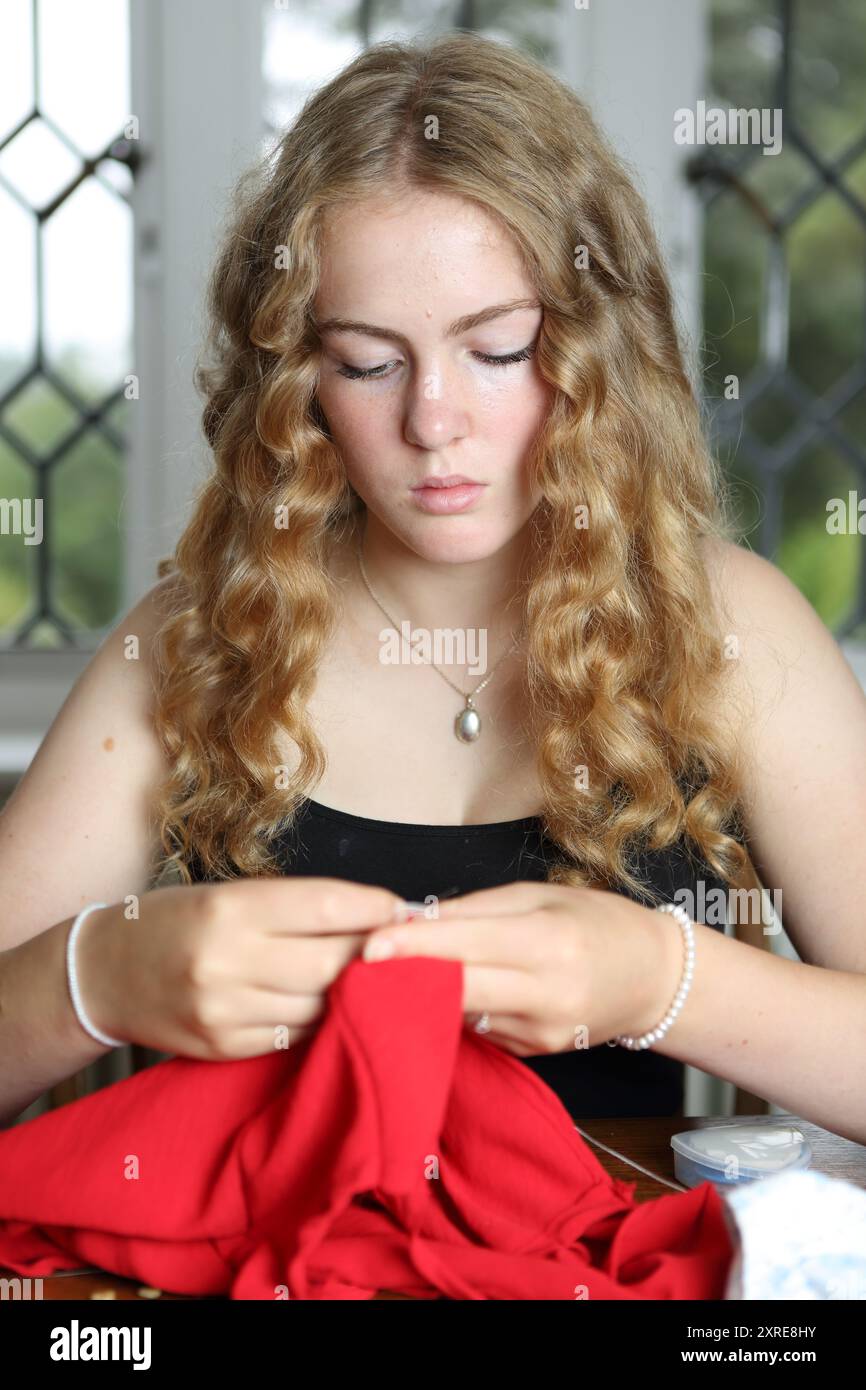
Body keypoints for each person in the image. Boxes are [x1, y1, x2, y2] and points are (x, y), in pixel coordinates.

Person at [1, 33, 864, 1137]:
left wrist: (663, 981)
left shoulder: (728, 624)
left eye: (497, 348)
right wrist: (99, 975)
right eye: (366, 361)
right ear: (299, 382)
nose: (431, 421)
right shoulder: (201, 638)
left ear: (599, 349)